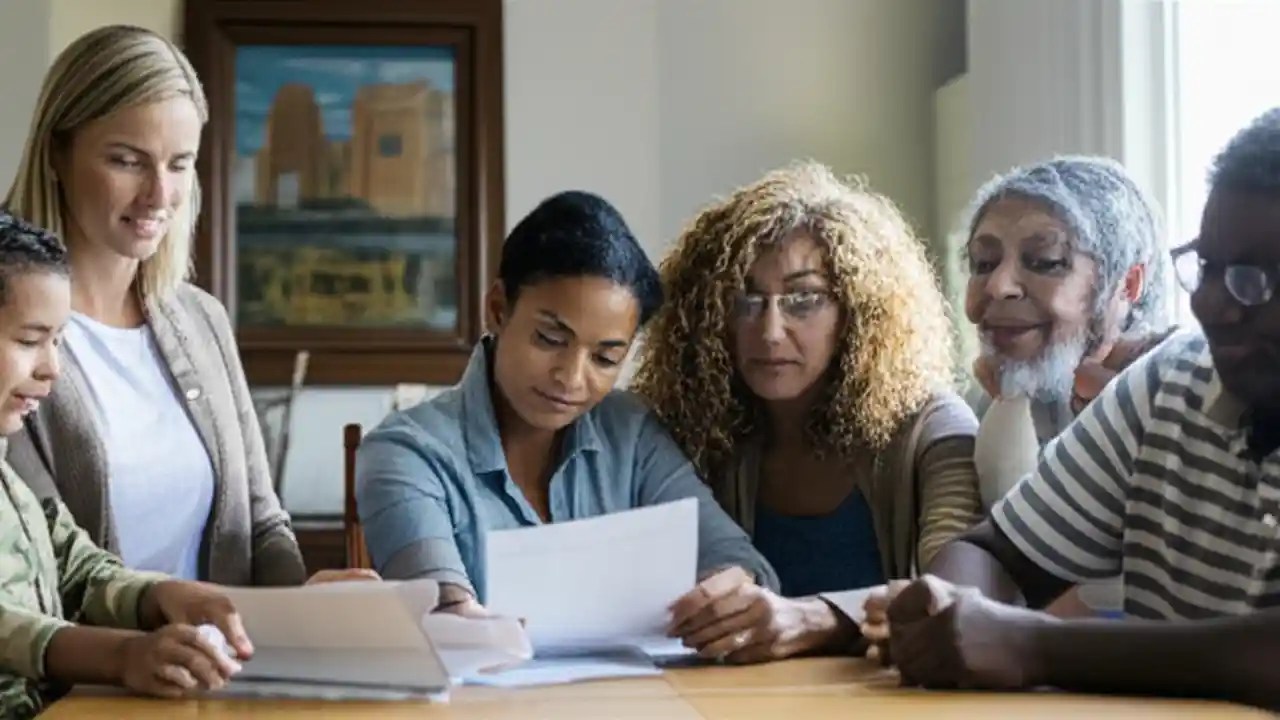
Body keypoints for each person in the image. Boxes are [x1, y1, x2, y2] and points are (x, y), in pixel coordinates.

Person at [862, 109, 1280, 711]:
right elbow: (997, 550)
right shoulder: (1171, 382)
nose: (1212, 305)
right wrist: (947, 610)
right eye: (1207, 268)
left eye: (1252, 279)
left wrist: (1033, 647)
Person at [2, 25, 365, 586]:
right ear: (56, 152)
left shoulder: (201, 321)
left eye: (179, 164)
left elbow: (262, 522)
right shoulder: (13, 335)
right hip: (99, 672)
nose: (159, 195)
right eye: (127, 161)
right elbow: (45, 567)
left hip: (232, 667)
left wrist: (304, 606)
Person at [356, 190, 778, 616]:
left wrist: (725, 593)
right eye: (550, 339)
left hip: (641, 684)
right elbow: (442, 613)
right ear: (499, 309)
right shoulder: (405, 451)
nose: (572, 378)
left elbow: (738, 561)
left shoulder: (631, 434)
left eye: (605, 357)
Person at [632, 162, 982, 663]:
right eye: (745, 299)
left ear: (858, 312)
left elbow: (952, 601)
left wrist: (815, 618)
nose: (770, 331)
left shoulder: (931, 430)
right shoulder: (693, 429)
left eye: (804, 300)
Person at [0, 211, 254, 718]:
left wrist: (161, 596)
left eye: (58, 341)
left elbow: (79, 568)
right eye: (30, 341)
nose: (52, 368)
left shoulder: (10, 480)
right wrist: (121, 655)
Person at [961, 156, 1173, 616]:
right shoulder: (985, 405)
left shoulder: (1174, 403)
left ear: (1128, 284)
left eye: (1046, 261)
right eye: (983, 262)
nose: (998, 286)